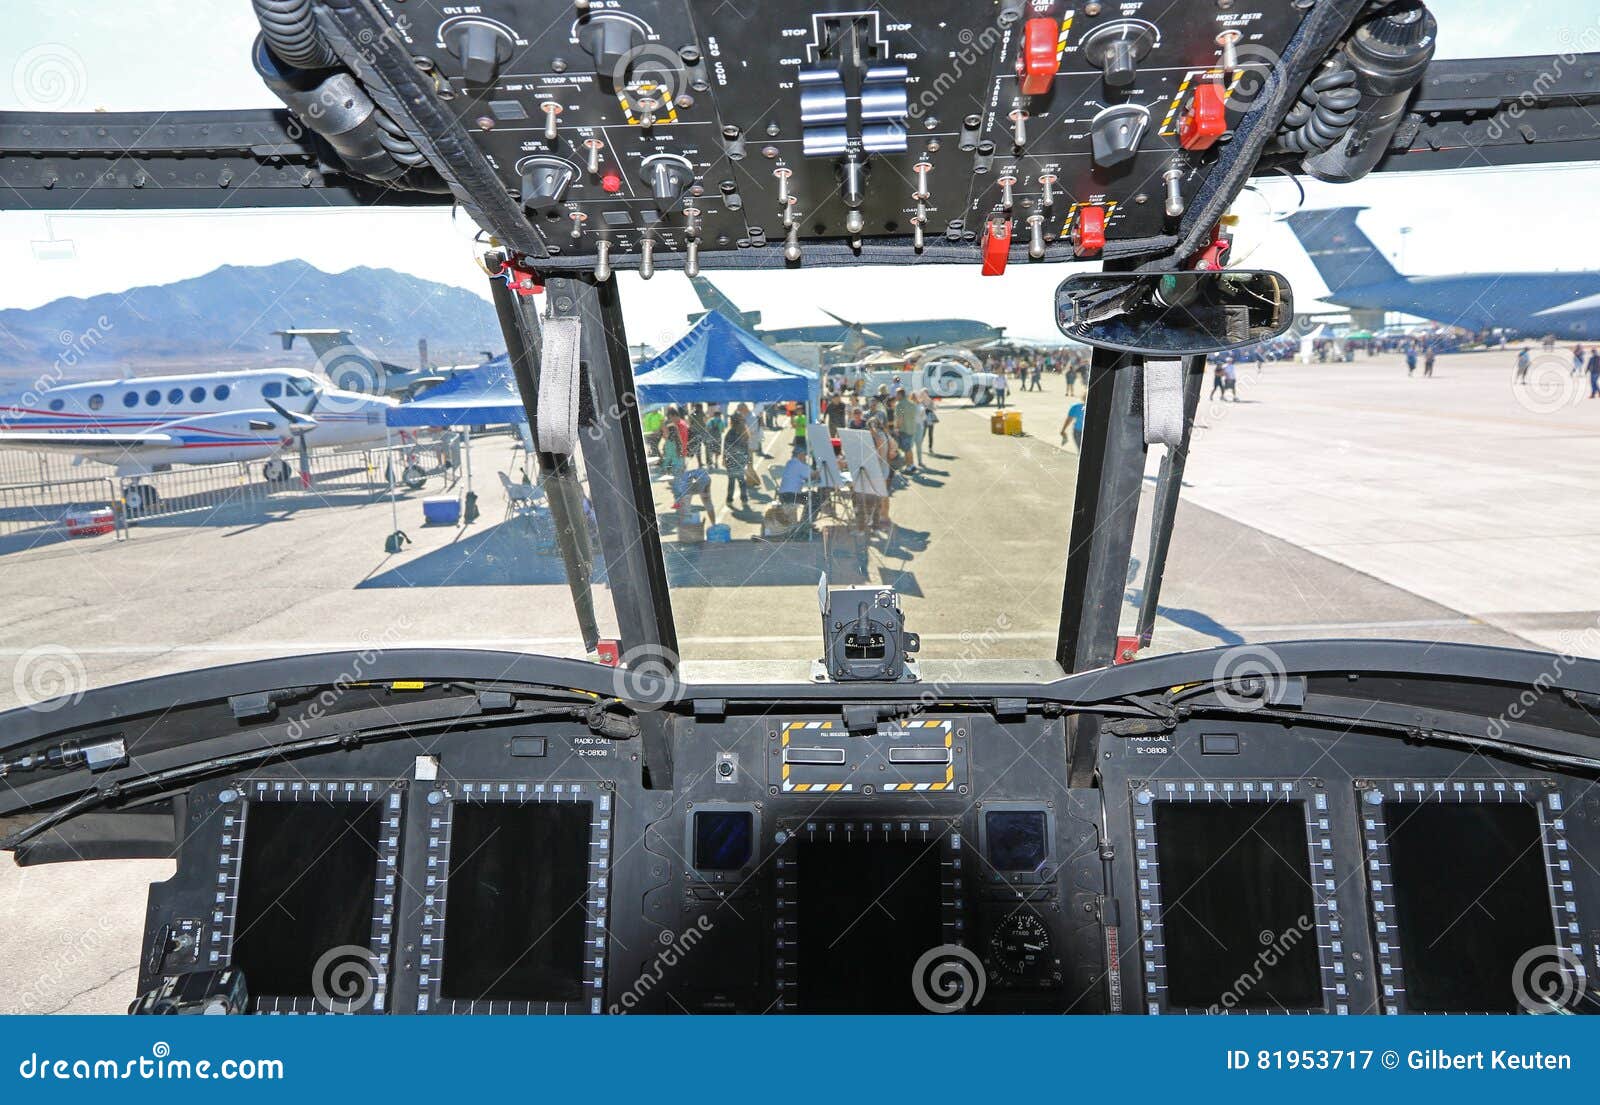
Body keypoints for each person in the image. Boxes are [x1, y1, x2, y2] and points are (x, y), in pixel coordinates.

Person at [776, 443, 815, 527]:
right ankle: (805, 524)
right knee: (814, 498)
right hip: (792, 496)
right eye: (805, 456)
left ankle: (804, 523)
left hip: (784, 495)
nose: (805, 458)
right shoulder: (799, 464)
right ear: (800, 455)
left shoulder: (790, 463)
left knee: (810, 495)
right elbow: (813, 475)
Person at [722, 407, 752, 509]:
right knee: (741, 481)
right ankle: (744, 500)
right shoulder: (744, 431)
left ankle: (729, 500)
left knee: (731, 482)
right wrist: (748, 460)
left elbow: (726, 448)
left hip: (731, 461)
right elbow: (747, 448)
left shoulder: (730, 433)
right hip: (741, 460)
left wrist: (724, 459)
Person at [892, 387, 919, 473]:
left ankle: (909, 466)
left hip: (904, 429)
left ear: (900, 395)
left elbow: (900, 418)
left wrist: (896, 428)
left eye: (896, 394)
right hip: (912, 428)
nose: (895, 395)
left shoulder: (900, 405)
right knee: (909, 448)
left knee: (907, 449)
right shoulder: (912, 403)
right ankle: (911, 465)